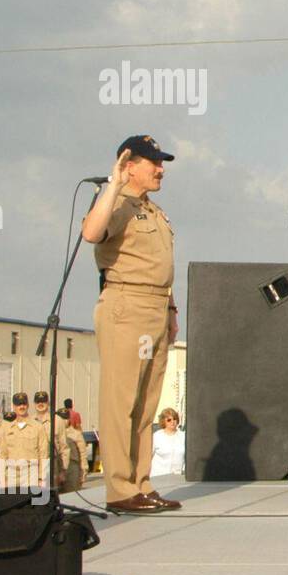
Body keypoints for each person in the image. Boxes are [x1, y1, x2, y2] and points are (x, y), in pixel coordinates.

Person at [80, 135, 181, 514]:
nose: (161, 169)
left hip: (155, 306)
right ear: (129, 165)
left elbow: (160, 266)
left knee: (145, 405)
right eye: (153, 162)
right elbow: (91, 234)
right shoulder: (117, 203)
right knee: (121, 401)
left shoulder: (151, 210)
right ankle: (120, 488)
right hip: (127, 305)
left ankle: (141, 483)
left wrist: (170, 311)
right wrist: (113, 184)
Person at [0, 392, 51, 492]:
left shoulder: (38, 427)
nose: (21, 407)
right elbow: (3, 455)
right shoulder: (8, 428)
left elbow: (44, 454)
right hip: (12, 474)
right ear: (13, 406)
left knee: (31, 505)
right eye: (18, 404)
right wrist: (2, 478)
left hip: (31, 474)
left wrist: (41, 478)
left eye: (24, 404)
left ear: (28, 405)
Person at [58, 407, 89, 493]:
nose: (63, 421)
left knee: (71, 494)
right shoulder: (55, 432)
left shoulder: (76, 434)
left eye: (65, 418)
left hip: (72, 468)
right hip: (58, 466)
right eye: (61, 418)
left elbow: (83, 454)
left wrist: (84, 471)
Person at [150, 407, 186, 477]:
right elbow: (148, 457)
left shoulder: (183, 436)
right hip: (158, 477)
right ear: (164, 421)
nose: (172, 422)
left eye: (174, 419)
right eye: (169, 420)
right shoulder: (156, 436)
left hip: (177, 477)